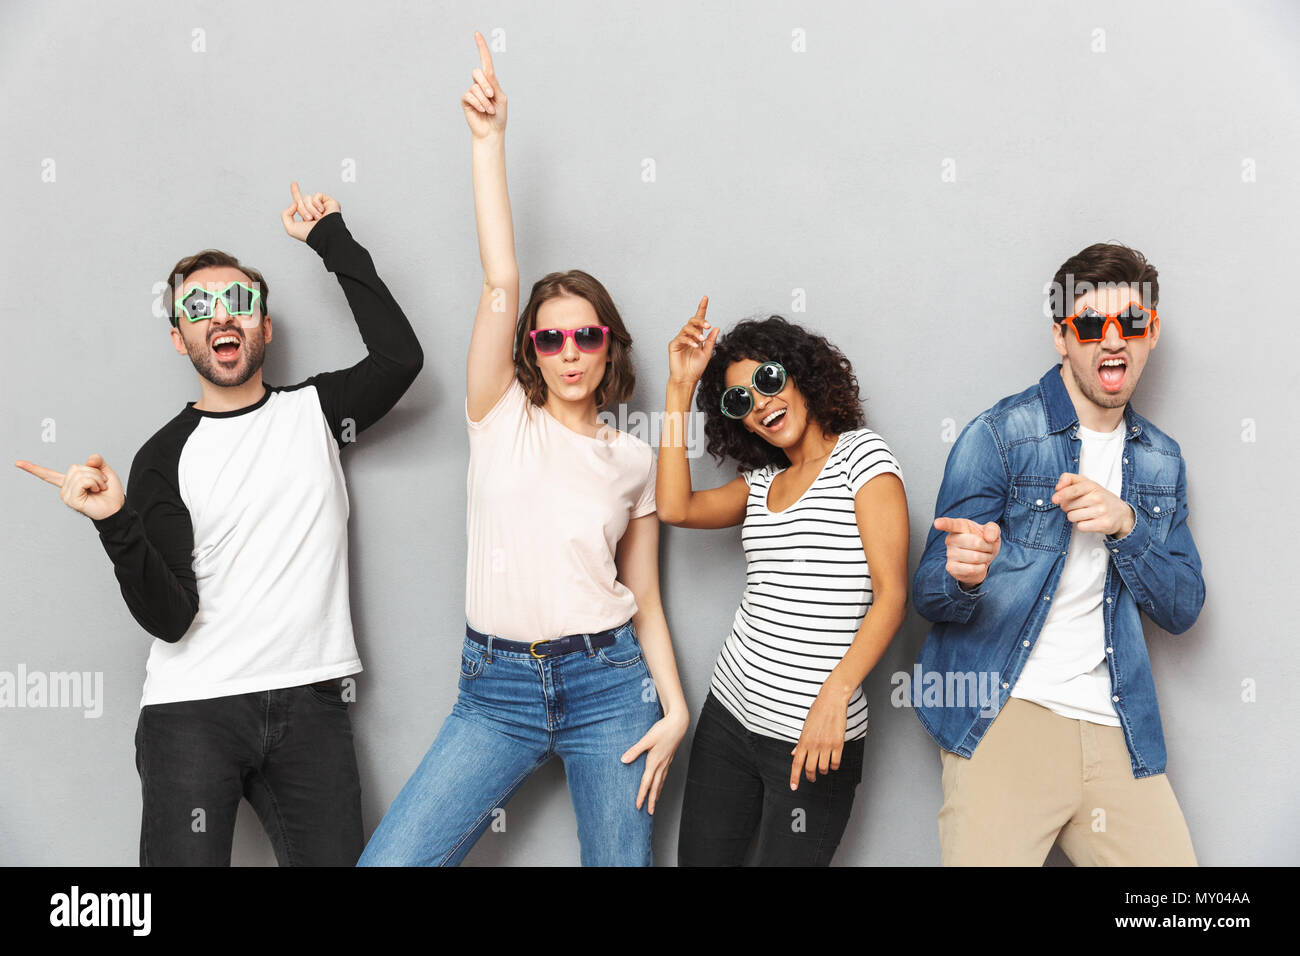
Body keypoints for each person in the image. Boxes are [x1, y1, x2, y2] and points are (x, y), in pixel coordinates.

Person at [15, 183, 424, 866]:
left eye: (239, 302)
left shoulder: (318, 413)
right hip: (193, 714)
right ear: (180, 338)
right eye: (198, 309)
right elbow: (172, 620)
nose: (220, 317)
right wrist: (115, 521)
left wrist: (331, 239)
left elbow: (400, 360)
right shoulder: (161, 457)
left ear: (263, 325)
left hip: (311, 707)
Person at [355, 32, 688, 867]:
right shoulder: (498, 413)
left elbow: (643, 596)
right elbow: (501, 277)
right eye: (549, 339)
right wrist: (489, 141)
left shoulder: (633, 460)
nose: (568, 351)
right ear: (528, 352)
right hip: (494, 690)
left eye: (585, 335)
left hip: (611, 688)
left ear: (608, 347)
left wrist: (674, 708)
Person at [911, 242, 1205, 866]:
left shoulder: (1161, 459)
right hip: (1009, 713)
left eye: (1131, 323)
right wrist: (961, 574)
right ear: (1061, 336)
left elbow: (1184, 606)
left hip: (1115, 723)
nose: (1113, 340)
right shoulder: (999, 435)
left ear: (1153, 332)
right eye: (1092, 325)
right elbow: (929, 589)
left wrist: (1128, 525)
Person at [657, 302, 909, 866]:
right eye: (740, 399)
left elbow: (892, 594)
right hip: (728, 717)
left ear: (801, 374)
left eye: (768, 379)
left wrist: (835, 695)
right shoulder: (761, 482)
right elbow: (674, 507)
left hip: (812, 737)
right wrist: (678, 389)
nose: (762, 403)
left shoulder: (862, 458)